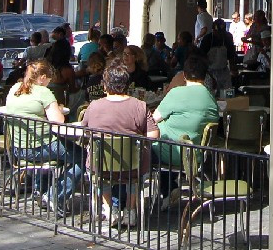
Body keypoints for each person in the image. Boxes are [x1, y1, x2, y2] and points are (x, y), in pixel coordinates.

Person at [81, 62, 159, 226]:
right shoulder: (140, 106)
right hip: (134, 168)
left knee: (97, 170)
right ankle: (130, 210)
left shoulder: (94, 106)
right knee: (135, 176)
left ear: (105, 84)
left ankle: (110, 208)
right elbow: (153, 135)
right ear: (127, 84)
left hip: (102, 167)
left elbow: (85, 132)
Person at [4, 59, 83, 217]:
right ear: (42, 77)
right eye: (49, 79)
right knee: (83, 157)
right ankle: (56, 194)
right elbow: (58, 120)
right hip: (41, 147)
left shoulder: (15, 88)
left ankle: (40, 190)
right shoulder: (43, 92)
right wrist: (57, 108)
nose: (49, 82)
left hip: (18, 147)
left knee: (58, 153)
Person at [153, 54, 219, 205]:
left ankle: (132, 203)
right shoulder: (211, 100)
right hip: (196, 154)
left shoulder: (176, 93)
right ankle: (169, 190)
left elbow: (153, 119)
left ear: (184, 75)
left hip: (169, 152)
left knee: (142, 148)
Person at [199, 24, 237, 90]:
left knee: (227, 92)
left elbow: (231, 55)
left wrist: (233, 69)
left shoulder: (227, 38)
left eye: (222, 32)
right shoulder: (207, 39)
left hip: (224, 71)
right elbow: (201, 56)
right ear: (213, 30)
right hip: (210, 71)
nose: (220, 34)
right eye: (218, 32)